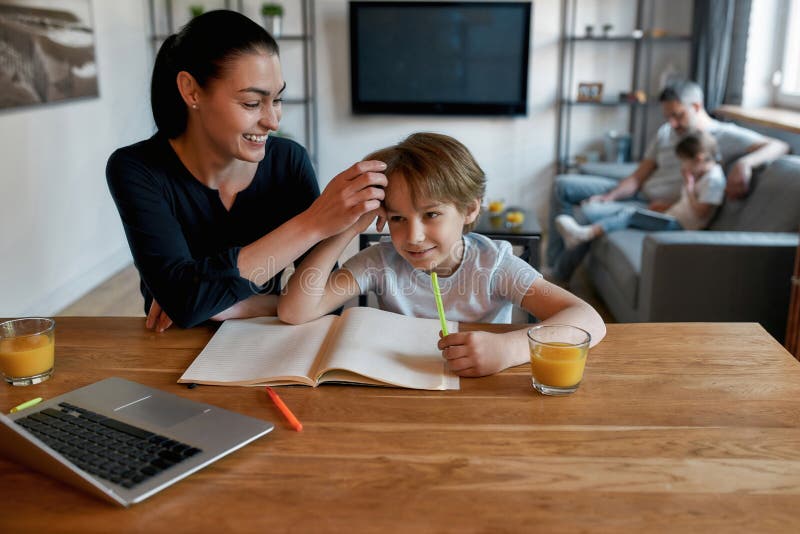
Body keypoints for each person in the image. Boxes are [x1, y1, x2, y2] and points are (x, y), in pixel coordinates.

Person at [106, 10, 387, 332]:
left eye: (277, 99)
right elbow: (183, 302)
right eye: (252, 103)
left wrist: (230, 304)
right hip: (173, 343)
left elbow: (316, 293)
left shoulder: (288, 161)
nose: (273, 121)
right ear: (191, 91)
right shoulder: (137, 169)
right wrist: (312, 223)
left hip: (267, 332)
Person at [277, 132, 606, 377]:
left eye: (431, 215)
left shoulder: (494, 265)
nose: (413, 237)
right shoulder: (379, 261)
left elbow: (588, 320)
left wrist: (509, 348)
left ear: (469, 209)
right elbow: (295, 311)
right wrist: (348, 228)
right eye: (397, 218)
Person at [546, 80, 790, 282]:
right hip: (638, 190)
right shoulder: (666, 131)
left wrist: (744, 164)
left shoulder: (723, 136)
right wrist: (609, 196)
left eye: (678, 116)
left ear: (696, 106)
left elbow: (780, 145)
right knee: (563, 185)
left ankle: (557, 276)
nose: (672, 123)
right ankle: (550, 265)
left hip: (659, 206)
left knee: (591, 213)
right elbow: (639, 175)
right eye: (668, 116)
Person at [554, 131, 726, 246]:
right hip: (674, 219)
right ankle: (581, 235)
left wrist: (689, 188)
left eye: (684, 161)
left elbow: (702, 212)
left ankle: (584, 234)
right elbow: (687, 206)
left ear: (699, 158)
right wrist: (665, 207)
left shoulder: (714, 180)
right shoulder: (701, 176)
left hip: (681, 228)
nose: (682, 166)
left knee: (630, 214)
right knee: (627, 214)